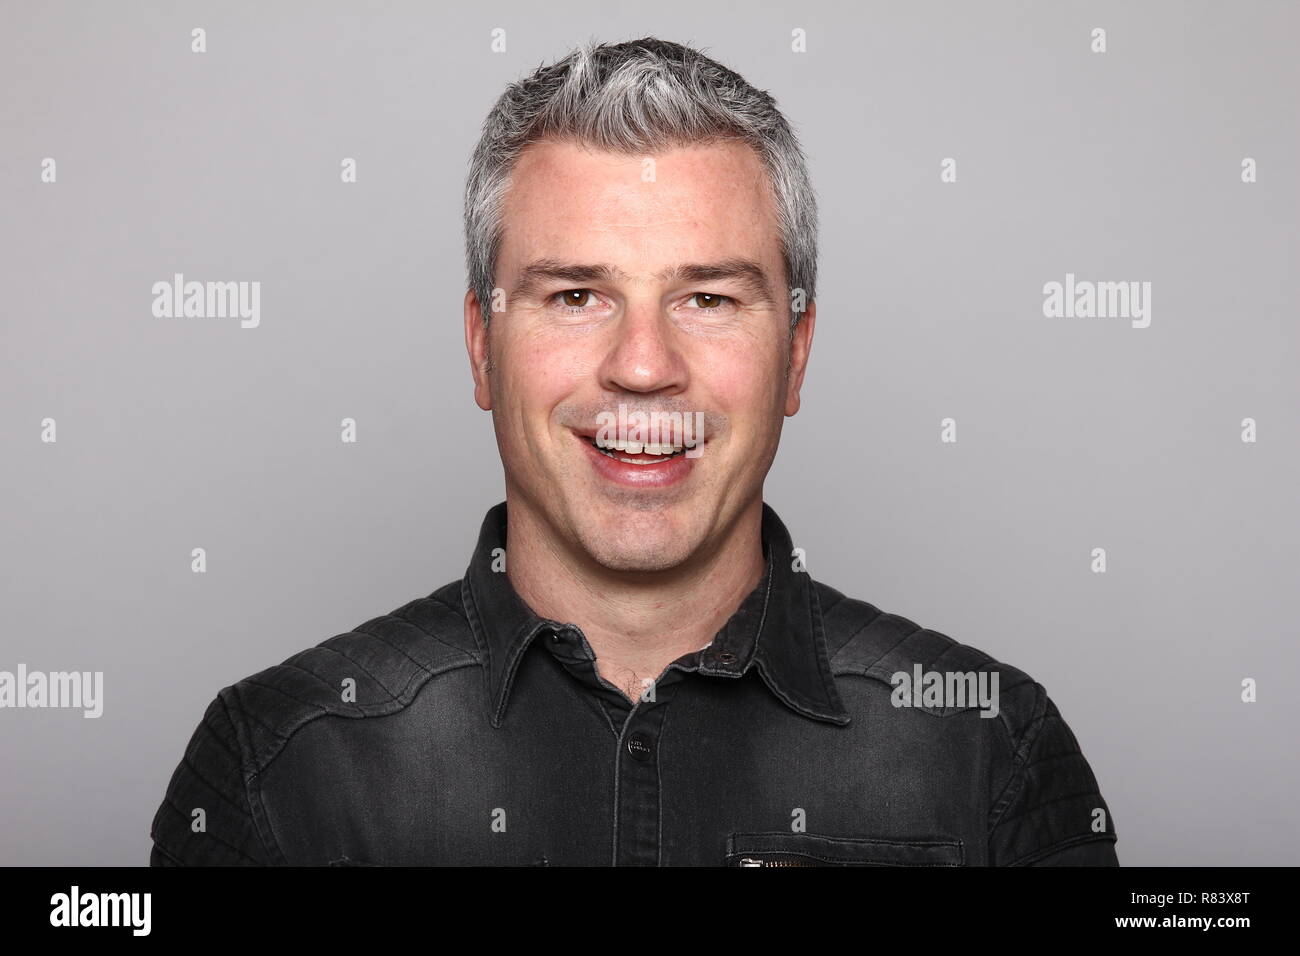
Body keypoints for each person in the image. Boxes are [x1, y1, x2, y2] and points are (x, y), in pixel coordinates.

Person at [149, 37, 1118, 866]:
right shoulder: (277, 768)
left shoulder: (988, 754)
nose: (644, 366)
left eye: (708, 297)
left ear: (797, 354)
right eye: (575, 295)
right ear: (482, 348)